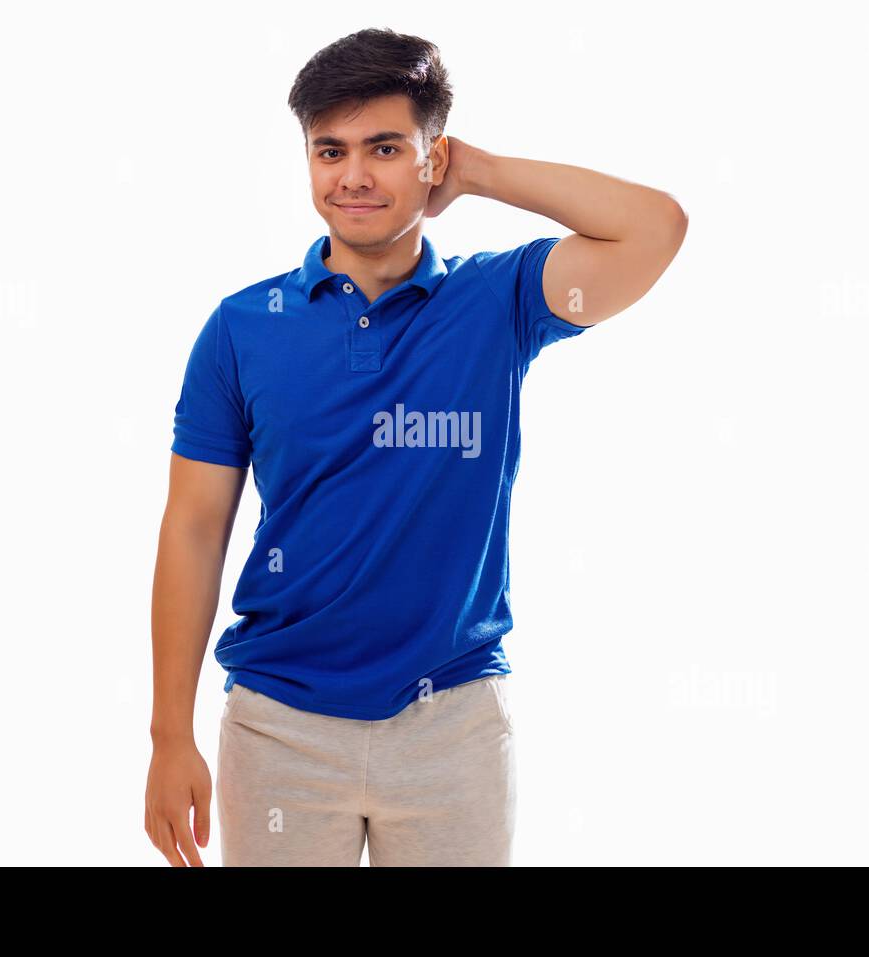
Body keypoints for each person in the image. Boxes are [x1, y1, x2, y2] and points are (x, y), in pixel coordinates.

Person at [145, 27, 687, 867]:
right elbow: (192, 528)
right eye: (330, 150)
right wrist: (168, 733)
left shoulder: (498, 299)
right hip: (279, 726)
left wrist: (477, 171)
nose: (353, 175)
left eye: (386, 148)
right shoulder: (243, 328)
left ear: (430, 159)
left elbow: (655, 227)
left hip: (453, 727)